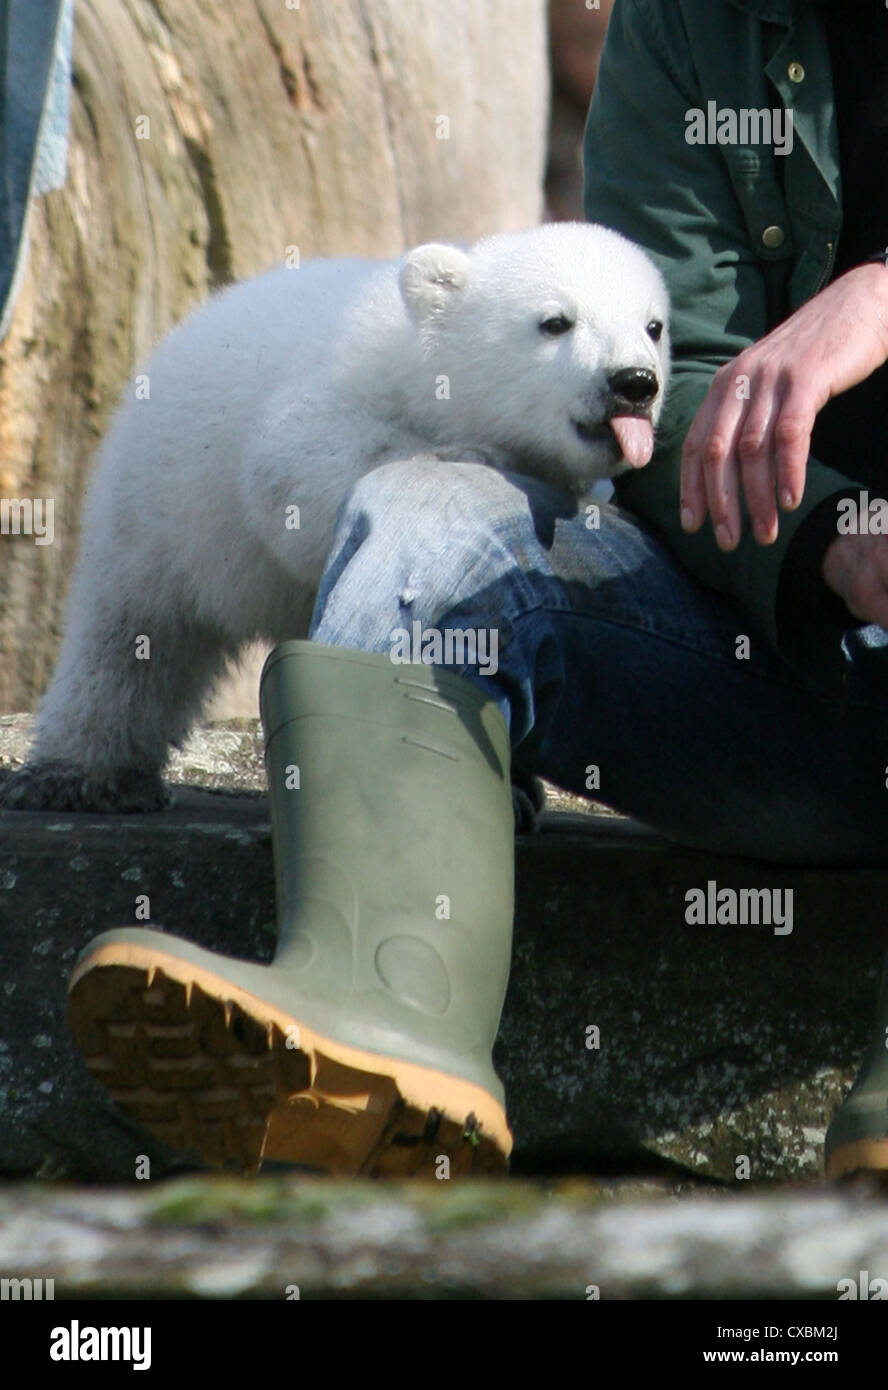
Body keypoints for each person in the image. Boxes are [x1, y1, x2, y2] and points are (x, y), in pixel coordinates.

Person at [67, 0, 888, 1181]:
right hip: (793, 691)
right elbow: (675, 371)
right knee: (421, 505)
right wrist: (833, 540)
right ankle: (374, 1018)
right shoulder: (690, 23)